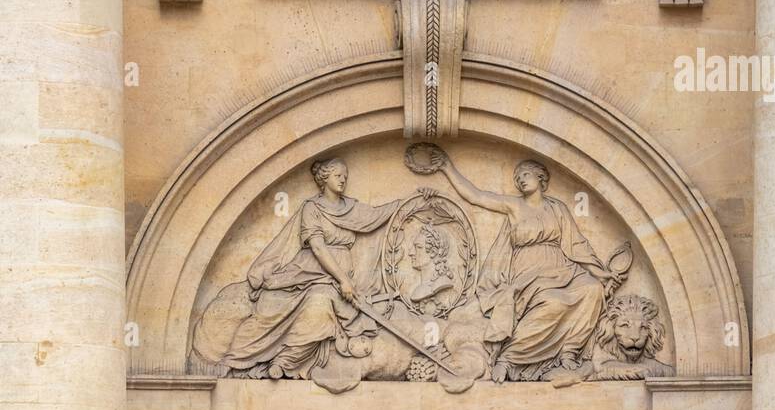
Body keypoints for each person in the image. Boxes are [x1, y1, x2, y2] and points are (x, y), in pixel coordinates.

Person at [193, 158, 400, 379]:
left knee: (327, 308)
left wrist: (407, 202)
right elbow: (318, 248)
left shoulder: (351, 208)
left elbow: (376, 216)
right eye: (338, 176)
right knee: (318, 307)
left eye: (345, 176)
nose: (343, 180)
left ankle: (286, 362)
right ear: (324, 178)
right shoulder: (312, 208)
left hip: (341, 276)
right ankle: (266, 360)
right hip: (312, 272)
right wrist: (343, 281)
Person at [431, 150, 614, 381]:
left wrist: (601, 273)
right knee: (553, 303)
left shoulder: (558, 208)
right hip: (529, 272)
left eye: (526, 174)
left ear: (541, 178)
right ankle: (510, 357)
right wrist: (447, 167)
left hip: (562, 268)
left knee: (593, 289)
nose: (521, 180)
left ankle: (570, 351)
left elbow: (577, 243)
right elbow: (476, 196)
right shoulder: (513, 206)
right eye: (518, 178)